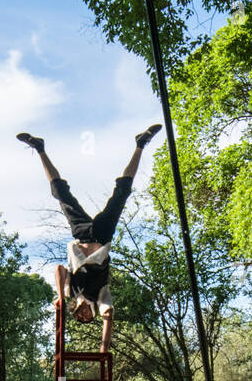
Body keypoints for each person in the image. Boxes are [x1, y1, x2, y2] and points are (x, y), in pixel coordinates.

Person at [16, 123, 163, 351]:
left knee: (61, 194)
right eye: (88, 317)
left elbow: (59, 269)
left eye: (80, 316)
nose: (84, 315)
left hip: (82, 234)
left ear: (76, 312)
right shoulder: (101, 296)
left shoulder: (70, 292)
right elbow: (109, 315)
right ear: (92, 312)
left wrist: (61, 297)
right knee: (122, 192)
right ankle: (141, 144)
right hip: (102, 236)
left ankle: (40, 148)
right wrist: (103, 350)